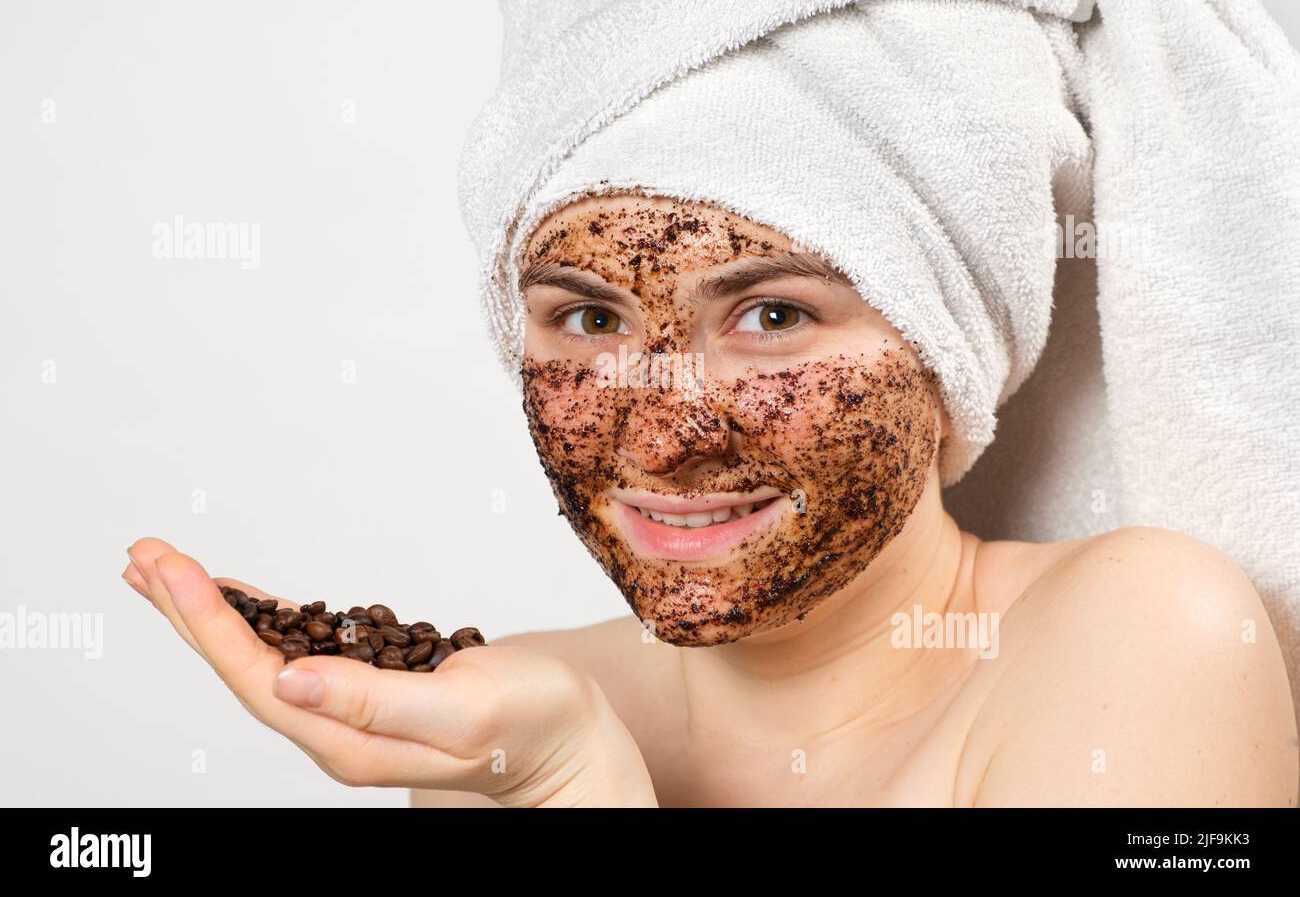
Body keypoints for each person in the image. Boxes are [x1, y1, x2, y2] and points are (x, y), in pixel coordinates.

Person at [124, 190, 1297, 806]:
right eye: (587, 320)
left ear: (946, 360)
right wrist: (538, 766)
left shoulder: (1143, 636)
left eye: (773, 317)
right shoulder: (506, 710)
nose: (663, 430)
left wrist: (578, 787)